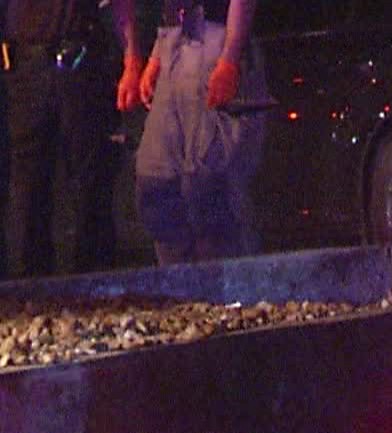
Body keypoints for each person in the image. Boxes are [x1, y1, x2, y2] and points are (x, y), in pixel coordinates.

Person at [3, 0, 139, 277]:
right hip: (25, 63)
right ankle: (35, 295)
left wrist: (132, 56)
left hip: (82, 58)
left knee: (90, 185)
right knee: (28, 191)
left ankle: (96, 289)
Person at [133, 0, 268, 264]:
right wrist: (157, 54)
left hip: (215, 36)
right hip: (175, 38)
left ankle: (226, 289)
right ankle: (177, 288)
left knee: (210, 183)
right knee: (156, 179)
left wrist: (230, 57)